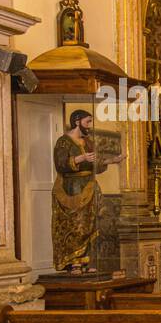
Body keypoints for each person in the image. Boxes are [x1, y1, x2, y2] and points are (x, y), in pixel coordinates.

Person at [52, 109, 121, 274]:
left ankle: (87, 261)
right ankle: (73, 262)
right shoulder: (64, 142)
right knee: (77, 225)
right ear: (77, 121)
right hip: (71, 189)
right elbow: (60, 164)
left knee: (91, 223)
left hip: (89, 187)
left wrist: (112, 160)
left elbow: (95, 164)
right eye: (87, 121)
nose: (89, 125)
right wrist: (80, 158)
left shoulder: (88, 142)